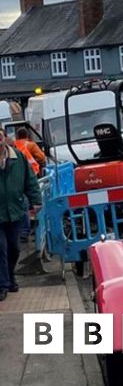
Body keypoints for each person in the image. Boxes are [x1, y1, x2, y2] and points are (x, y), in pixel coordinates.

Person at [0, 129, 43, 301]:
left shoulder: (18, 157)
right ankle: (2, 284)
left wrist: (35, 199)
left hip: (15, 211)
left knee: (14, 248)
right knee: (0, 249)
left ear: (4, 139)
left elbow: (30, 180)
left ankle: (9, 276)